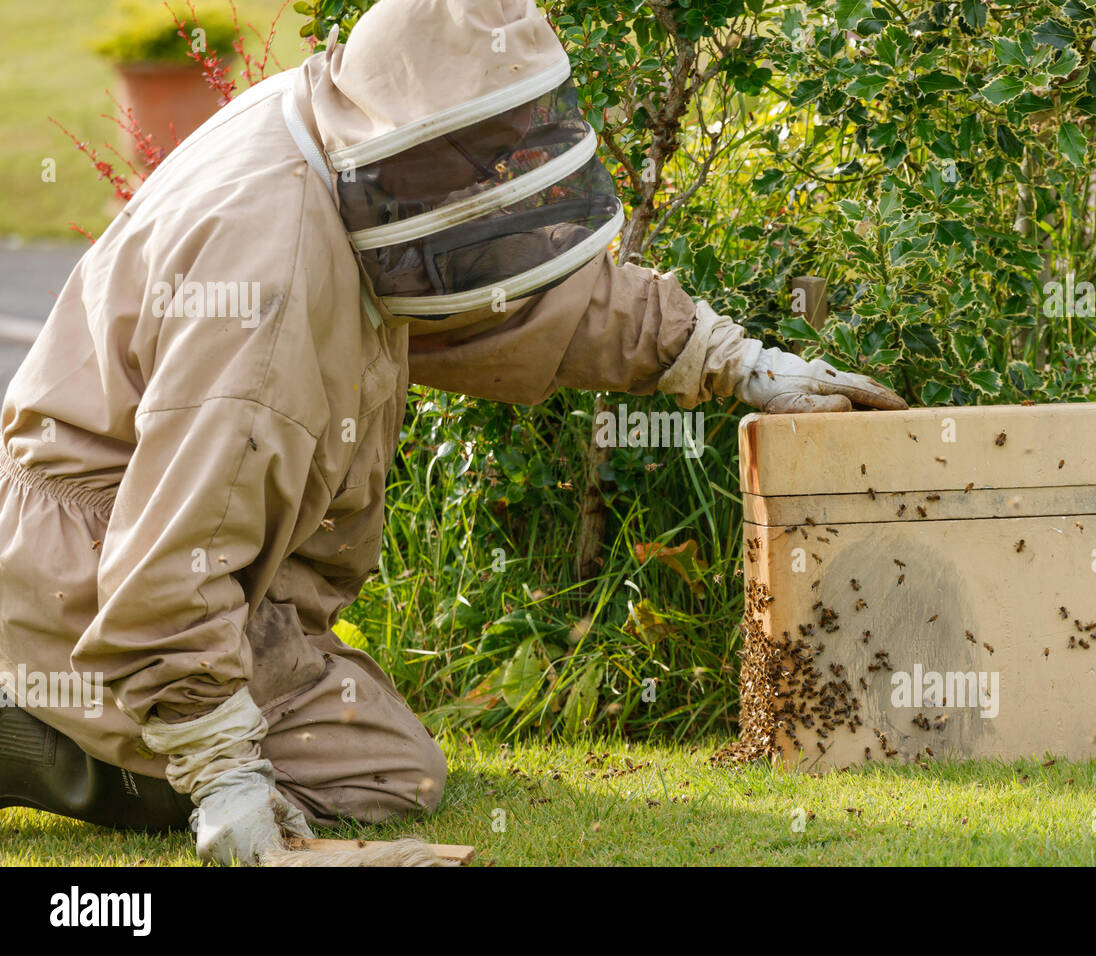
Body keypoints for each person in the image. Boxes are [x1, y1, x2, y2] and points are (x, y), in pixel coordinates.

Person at [0, 0, 905, 865]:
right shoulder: (270, 278)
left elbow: (525, 288)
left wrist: (733, 360)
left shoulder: (337, 128)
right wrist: (225, 775)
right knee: (375, 770)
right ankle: (34, 729)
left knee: (370, 747)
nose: (499, 186)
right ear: (417, 152)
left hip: (129, 543)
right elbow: (172, 554)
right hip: (93, 572)